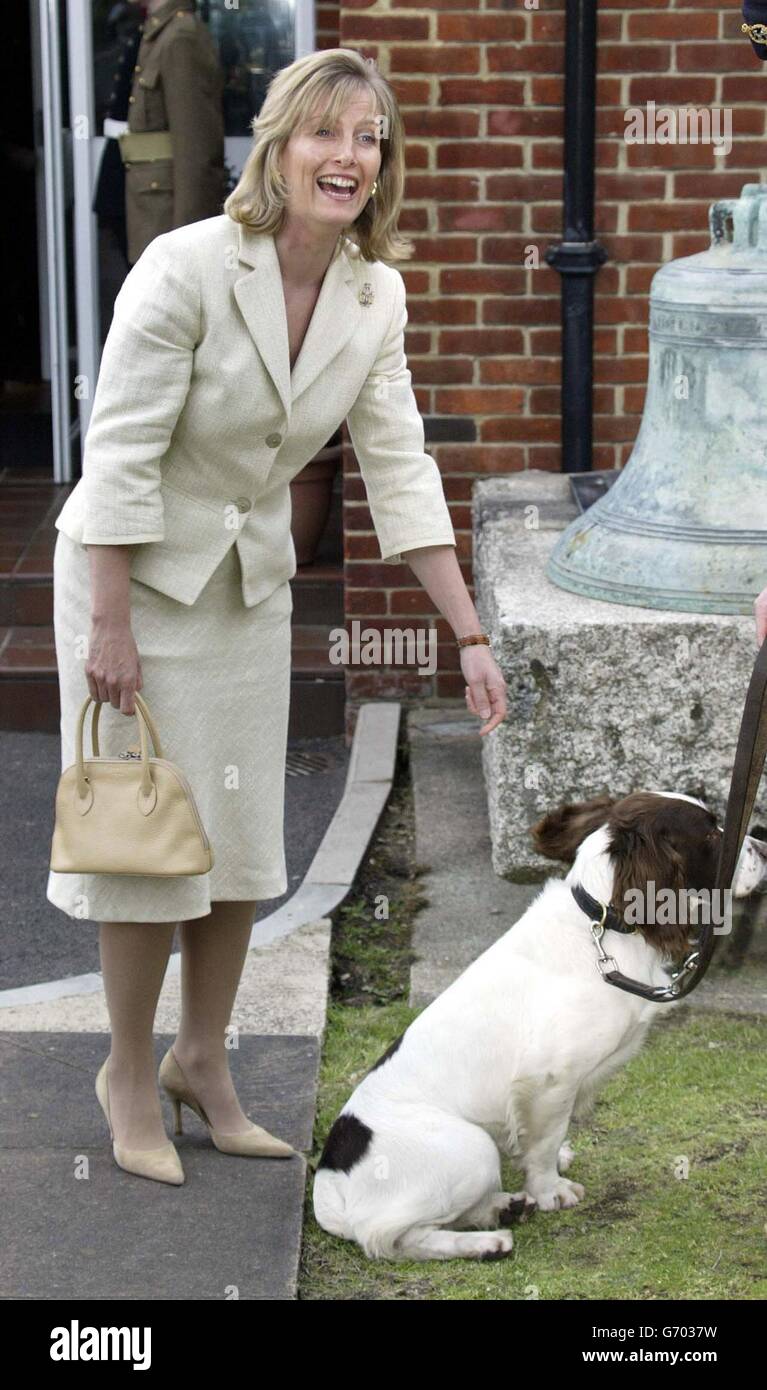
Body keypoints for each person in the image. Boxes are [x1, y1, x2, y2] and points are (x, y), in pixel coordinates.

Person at [48, 48, 508, 1185]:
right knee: (150, 842)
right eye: (326, 132)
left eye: (368, 139)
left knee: (243, 849)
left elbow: (399, 472)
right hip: (131, 584)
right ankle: (124, 1067)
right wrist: (109, 623)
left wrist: (467, 634)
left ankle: (202, 1060)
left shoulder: (372, 292)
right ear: (280, 143)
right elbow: (120, 451)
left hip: (246, 588)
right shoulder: (187, 266)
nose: (347, 157)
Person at [121, 0, 226, 264]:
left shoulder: (181, 38)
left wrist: (186, 247)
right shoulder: (161, 34)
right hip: (154, 216)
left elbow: (196, 152)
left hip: (168, 225)